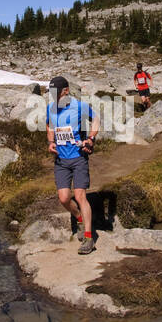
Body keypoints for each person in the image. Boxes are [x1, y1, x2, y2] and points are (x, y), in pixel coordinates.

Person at [46, 75, 99, 255]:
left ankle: (88, 237)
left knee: (80, 195)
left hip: (78, 157)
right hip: (61, 160)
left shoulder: (79, 106)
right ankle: (78, 218)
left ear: (66, 91)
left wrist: (91, 138)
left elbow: (96, 119)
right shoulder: (51, 108)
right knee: (63, 198)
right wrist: (51, 141)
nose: (53, 96)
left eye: (56, 93)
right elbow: (49, 126)